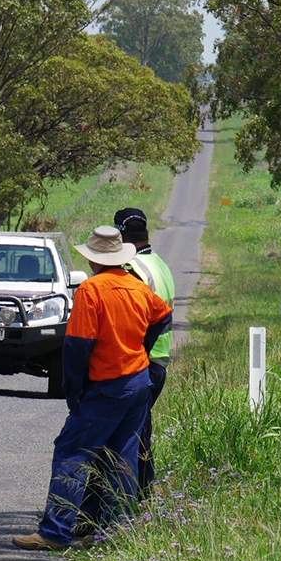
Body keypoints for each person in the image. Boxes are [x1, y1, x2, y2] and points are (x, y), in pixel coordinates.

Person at [12, 226, 172, 551]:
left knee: (71, 452)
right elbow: (163, 317)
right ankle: (118, 533)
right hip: (138, 383)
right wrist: (141, 347)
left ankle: (56, 531)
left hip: (106, 386)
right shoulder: (138, 288)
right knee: (122, 456)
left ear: (94, 260)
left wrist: (74, 390)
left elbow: (77, 346)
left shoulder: (91, 290)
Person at [115, 207, 175, 494]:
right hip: (159, 361)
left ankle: (132, 499)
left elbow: (136, 316)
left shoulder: (135, 269)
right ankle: (143, 495)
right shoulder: (160, 264)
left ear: (121, 236)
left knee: (129, 435)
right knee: (140, 432)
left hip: (143, 362)